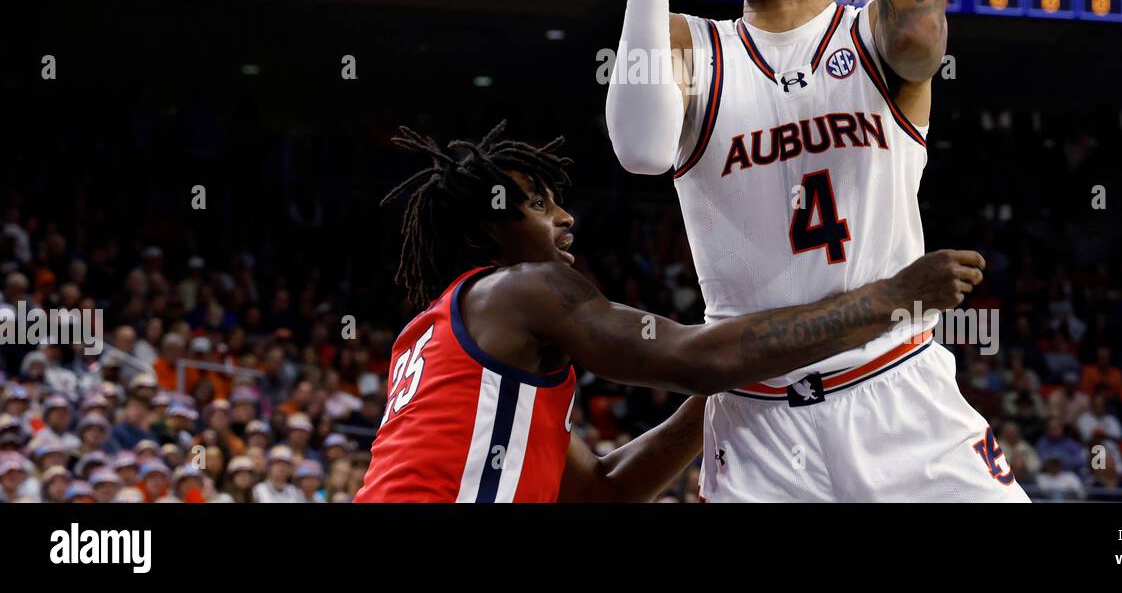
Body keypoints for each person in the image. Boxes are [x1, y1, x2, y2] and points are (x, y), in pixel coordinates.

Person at [600, 0, 1027, 502]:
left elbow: (920, 39)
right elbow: (640, 149)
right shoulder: (697, 45)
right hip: (758, 431)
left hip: (898, 395)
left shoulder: (873, 37)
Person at [355, 122, 983, 503]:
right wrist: (889, 300)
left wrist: (726, 395)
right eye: (538, 204)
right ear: (480, 238)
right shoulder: (524, 289)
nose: (565, 218)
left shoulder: (438, 338)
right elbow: (692, 357)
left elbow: (599, 493)